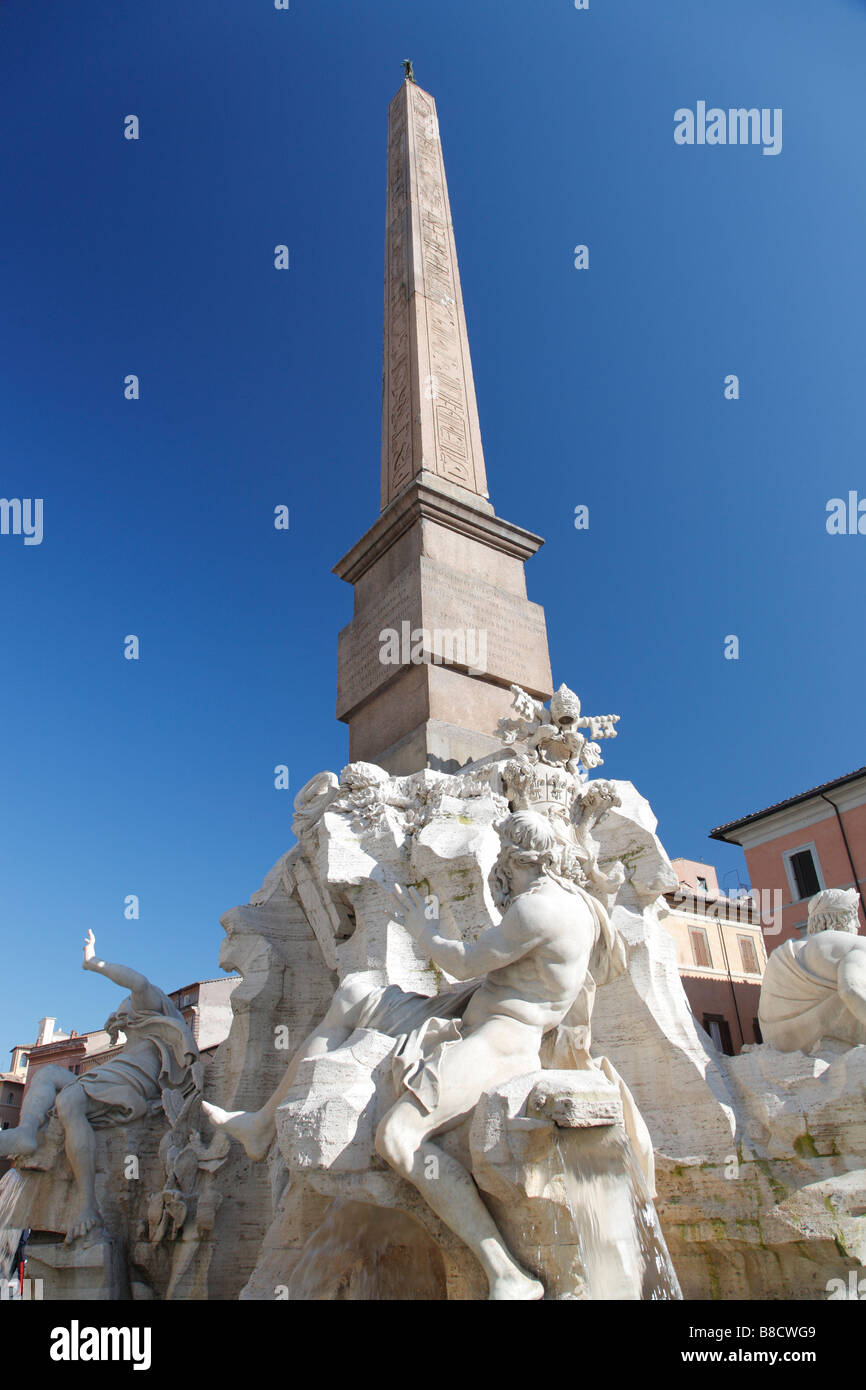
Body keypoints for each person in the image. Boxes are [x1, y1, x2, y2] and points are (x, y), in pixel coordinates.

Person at [204, 810, 625, 1300]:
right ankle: (261, 1124)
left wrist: (422, 928)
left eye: (503, 858)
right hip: (468, 1012)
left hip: (500, 1041)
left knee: (398, 1137)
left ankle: (506, 1272)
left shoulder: (539, 909)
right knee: (354, 993)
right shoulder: (577, 904)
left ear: (515, 857)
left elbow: (464, 960)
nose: (499, 871)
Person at [0, 932, 199, 1242]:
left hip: (132, 1085)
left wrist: (94, 963)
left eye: (123, 1011)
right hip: (111, 1077)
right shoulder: (135, 1035)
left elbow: (138, 983)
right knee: (50, 1073)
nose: (118, 1015)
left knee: (69, 1100)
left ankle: (87, 1204)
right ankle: (26, 1132)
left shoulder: (152, 1005)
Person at [758, 888, 866, 1053]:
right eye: (854, 917)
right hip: (839, 1046)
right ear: (843, 918)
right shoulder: (856, 944)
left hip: (782, 1047)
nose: (858, 924)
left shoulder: (781, 954)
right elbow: (850, 988)